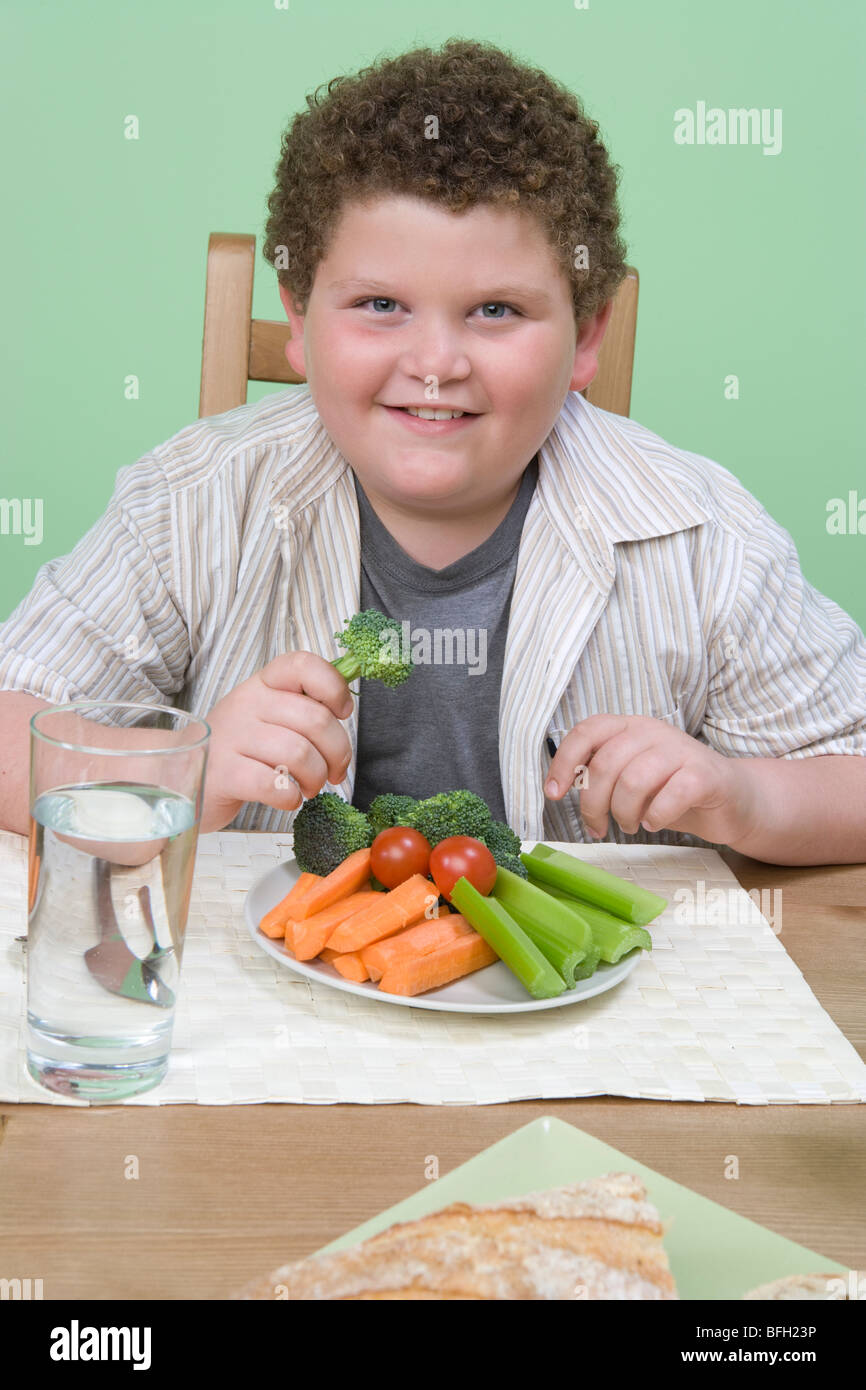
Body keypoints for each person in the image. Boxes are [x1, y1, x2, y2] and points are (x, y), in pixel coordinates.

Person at [1, 38, 864, 865]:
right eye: (380, 304)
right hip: (265, 995)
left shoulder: (702, 537)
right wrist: (174, 770)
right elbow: (12, 726)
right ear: (299, 320)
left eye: (496, 311)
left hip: (586, 1015)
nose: (435, 365)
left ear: (587, 335)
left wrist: (745, 797)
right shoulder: (191, 502)